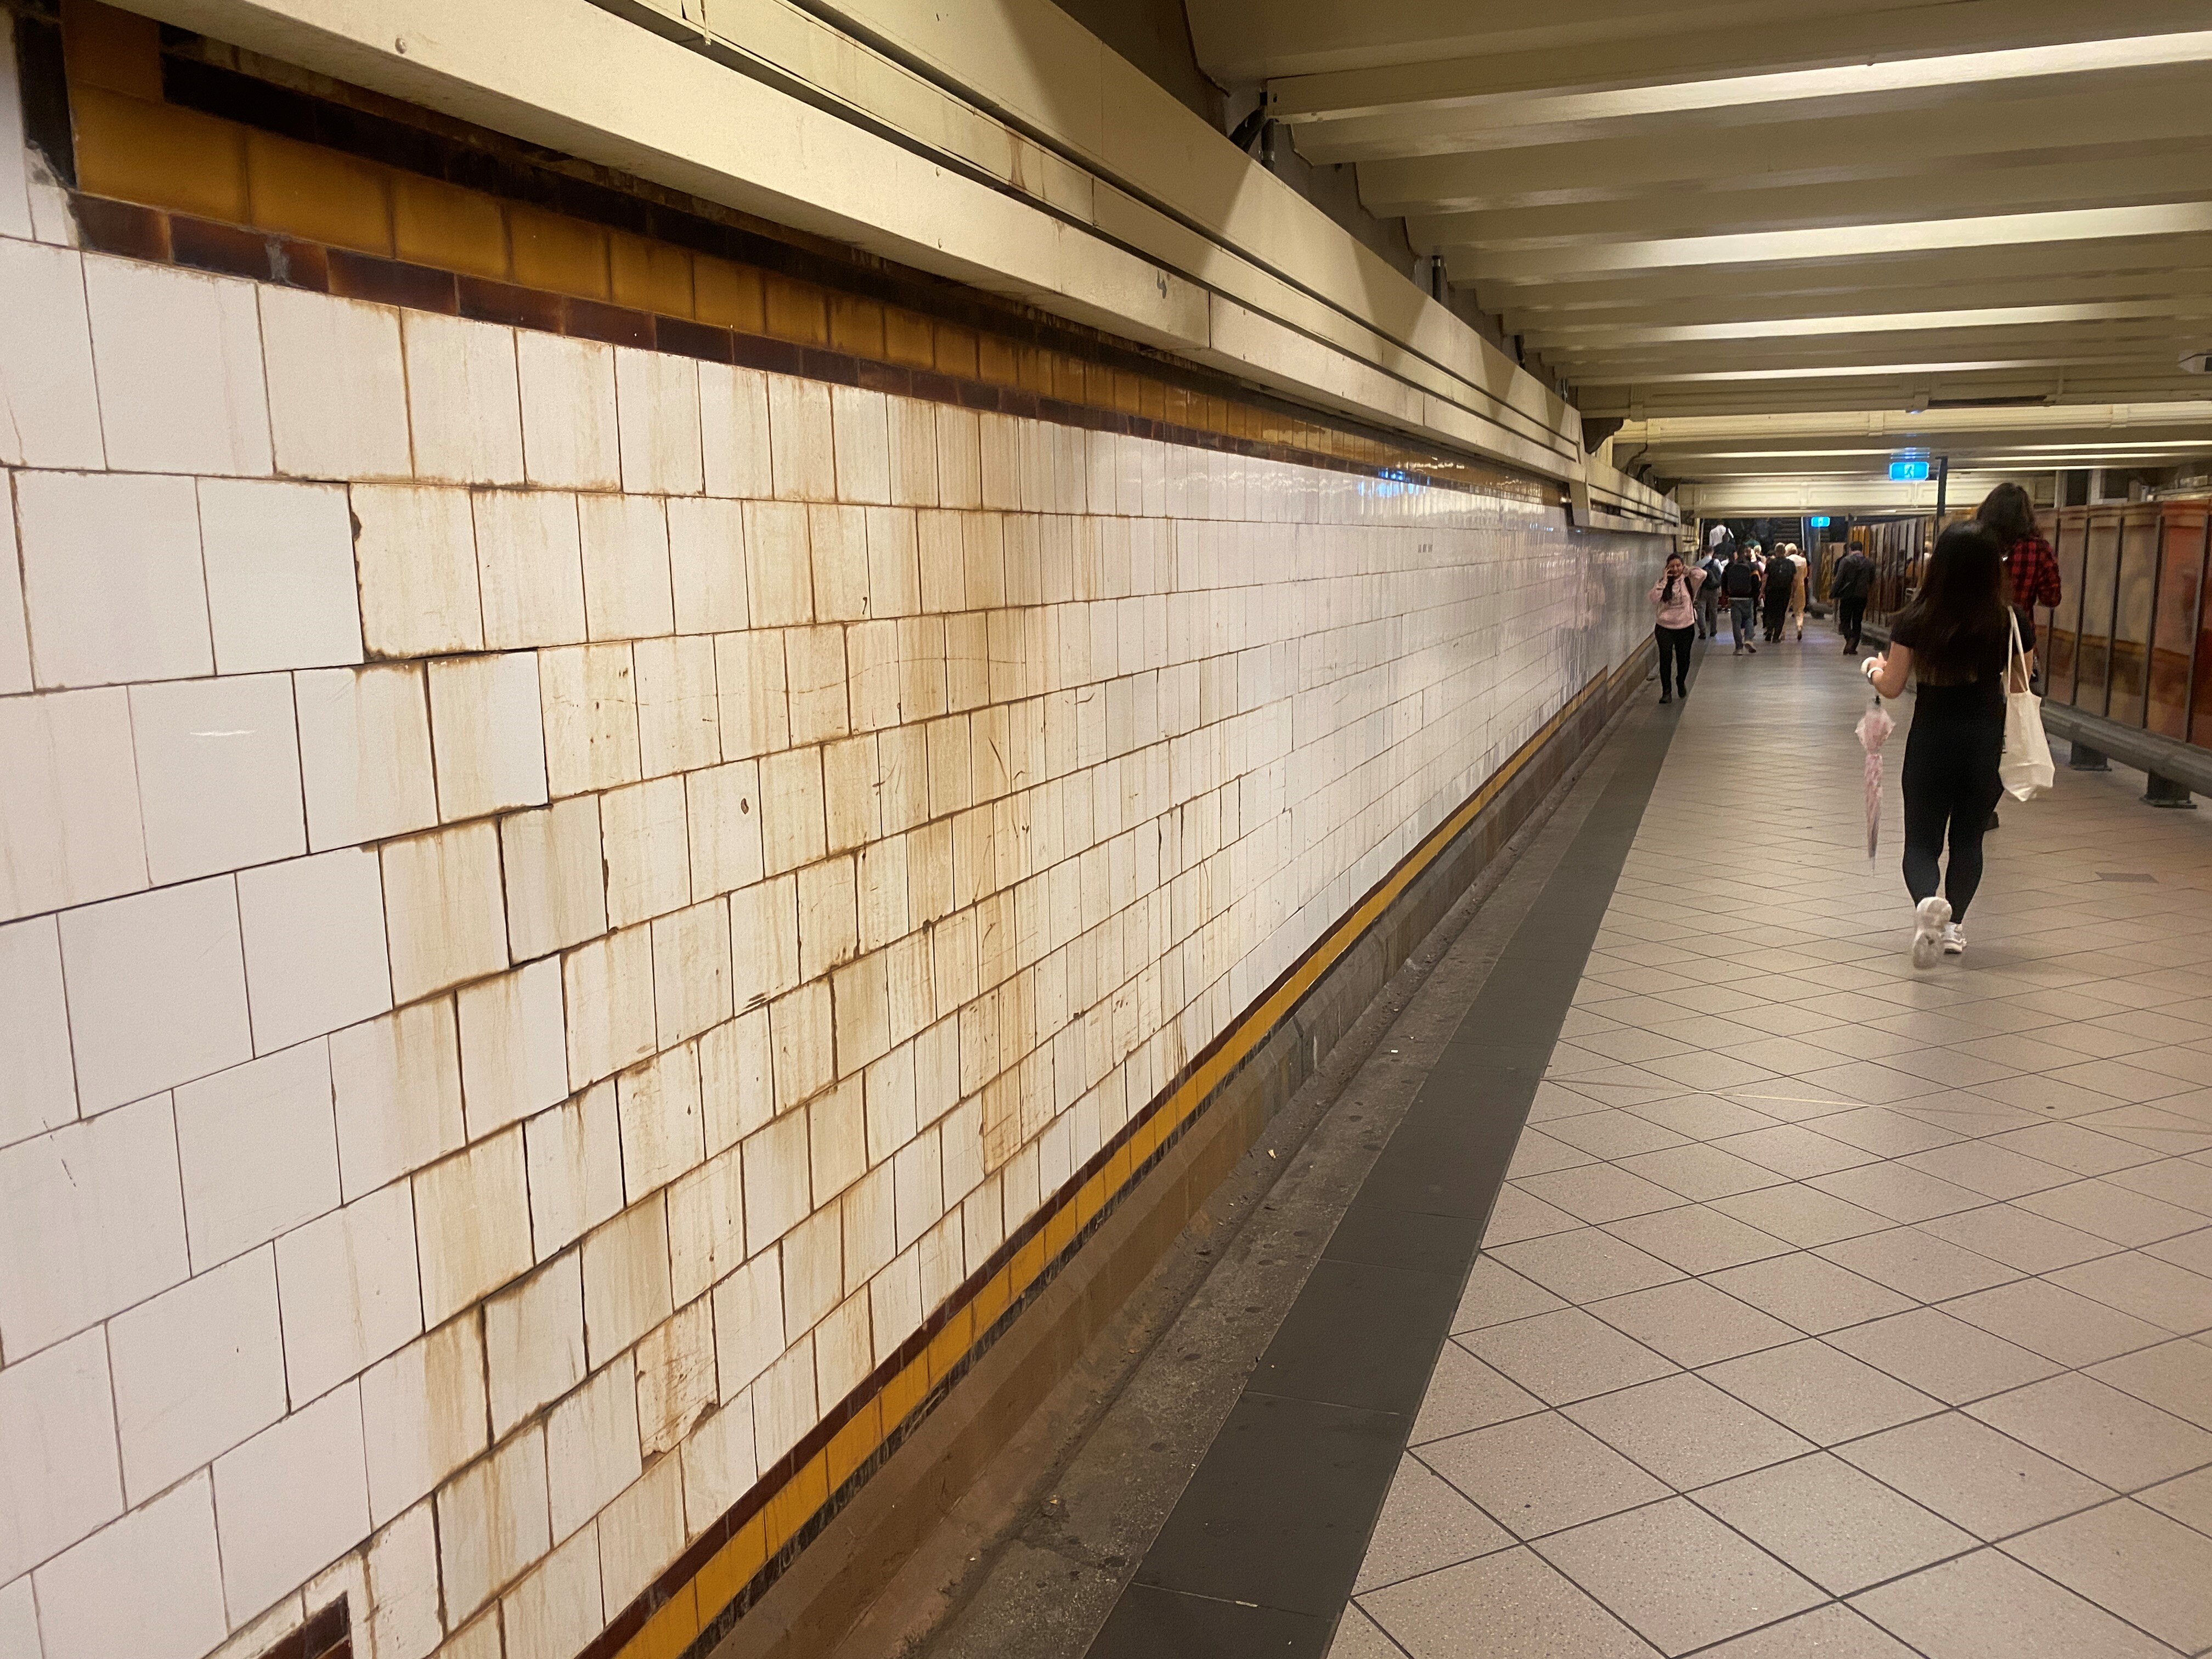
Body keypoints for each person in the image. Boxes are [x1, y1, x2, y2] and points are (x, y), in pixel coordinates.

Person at [1861, 523, 2021, 966]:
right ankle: (1954, 930)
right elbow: (2021, 684)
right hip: (1985, 742)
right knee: (1969, 841)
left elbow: (1892, 686)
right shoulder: (2009, 621)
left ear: (1940, 566)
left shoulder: (1916, 618)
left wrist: (1872, 668)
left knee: (1921, 841)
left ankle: (1926, 907)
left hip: (1931, 739)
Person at [1976, 482, 2061, 674]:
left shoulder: (1976, 543)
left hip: (1977, 641)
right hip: (2019, 643)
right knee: (2022, 691)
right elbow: (2052, 598)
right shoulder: (2039, 550)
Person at [1649, 552, 1703, 704]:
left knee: (1684, 659)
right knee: (1665, 659)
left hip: (1686, 626)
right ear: (1667, 568)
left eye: (1678, 565)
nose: (1675, 569)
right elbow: (1653, 598)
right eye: (1672, 566)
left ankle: (1680, 680)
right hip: (1664, 627)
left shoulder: (1689, 581)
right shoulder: (1662, 582)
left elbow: (1702, 574)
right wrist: (1664, 580)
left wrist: (1686, 570)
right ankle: (1666, 691)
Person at [1832, 542, 1875, 654]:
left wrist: (1833, 593)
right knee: (1857, 621)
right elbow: (1872, 579)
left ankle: (1850, 638)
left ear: (1850, 549)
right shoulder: (1869, 563)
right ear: (1861, 549)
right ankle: (1853, 647)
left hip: (1847, 595)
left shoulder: (1846, 561)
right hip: (1862, 596)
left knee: (1844, 620)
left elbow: (1839, 578)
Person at [1721, 544, 1762, 653]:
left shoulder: (1729, 566)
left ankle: (1739, 648)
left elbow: (1723, 581)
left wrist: (1727, 594)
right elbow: (1756, 583)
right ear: (1748, 554)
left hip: (1734, 598)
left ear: (1737, 553)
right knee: (1749, 619)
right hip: (1748, 598)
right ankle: (1748, 639)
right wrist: (1754, 596)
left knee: (1736, 623)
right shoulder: (1752, 566)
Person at [1697, 531, 1729, 639]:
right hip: (1714, 589)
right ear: (1713, 552)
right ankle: (1713, 630)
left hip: (1703, 589)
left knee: (1701, 610)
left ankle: (1702, 631)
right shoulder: (1716, 562)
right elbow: (1721, 573)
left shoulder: (1699, 564)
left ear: (1704, 552)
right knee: (1713, 610)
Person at [1762, 542, 1795, 642]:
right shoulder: (1791, 564)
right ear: (1785, 552)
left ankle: (1769, 630)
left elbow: (1765, 578)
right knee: (1781, 614)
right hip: (1785, 592)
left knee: (1771, 612)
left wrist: (1762, 591)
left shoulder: (1770, 563)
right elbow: (1795, 580)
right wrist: (1793, 592)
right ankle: (1776, 637)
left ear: (1776, 552)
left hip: (1771, 591)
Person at [1785, 543, 1809, 640]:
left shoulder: (1787, 561)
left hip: (1788, 587)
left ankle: (1782, 632)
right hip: (1800, 587)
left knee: (1785, 610)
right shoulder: (1803, 560)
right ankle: (1799, 626)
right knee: (1800, 609)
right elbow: (1805, 575)